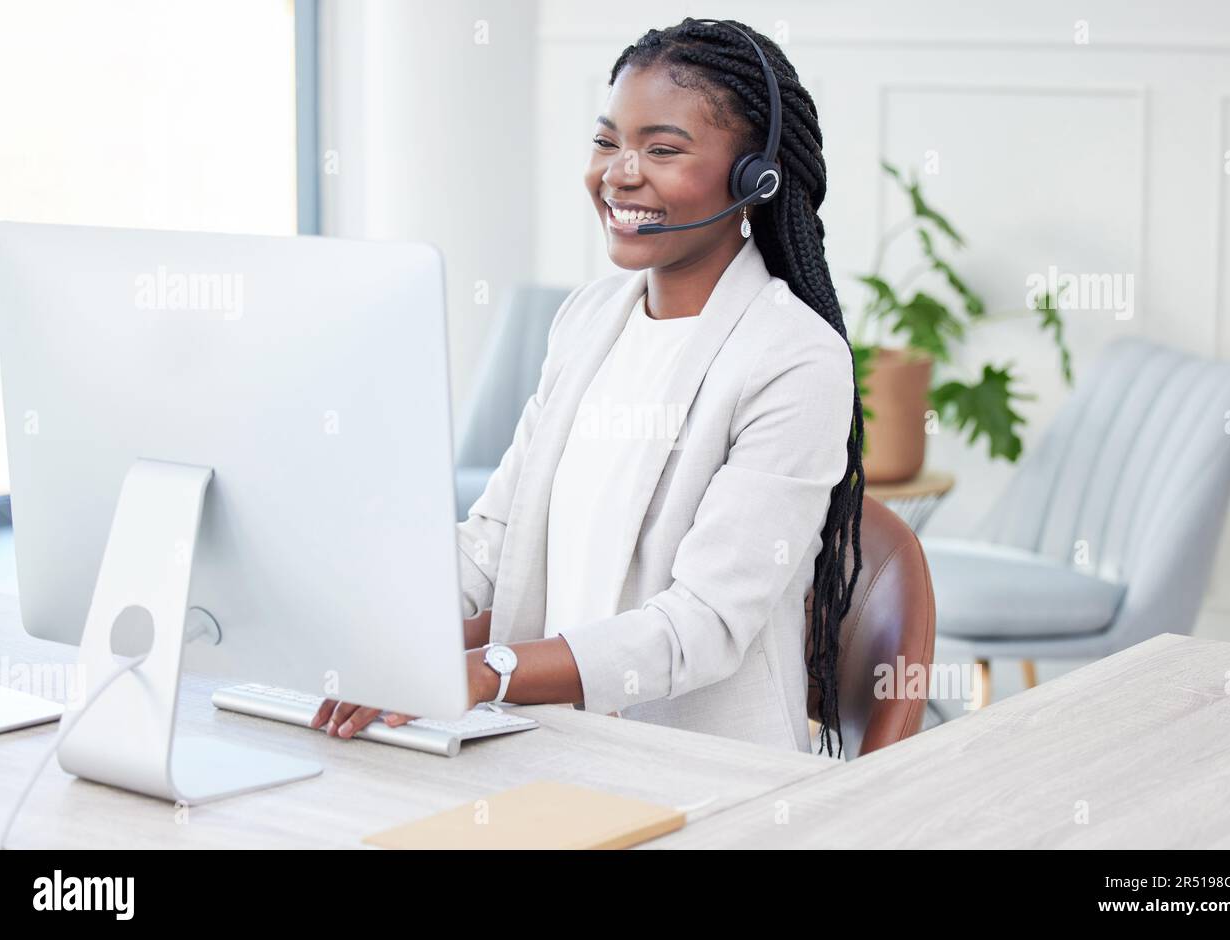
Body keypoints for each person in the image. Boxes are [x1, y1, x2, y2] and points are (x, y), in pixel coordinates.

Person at [312, 17, 866, 756]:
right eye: (607, 141)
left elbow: (701, 625)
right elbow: (494, 542)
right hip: (540, 746)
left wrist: (485, 672)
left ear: (752, 180)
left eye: (662, 149)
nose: (619, 172)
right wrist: (370, 613)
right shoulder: (588, 319)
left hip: (699, 774)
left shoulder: (794, 359)